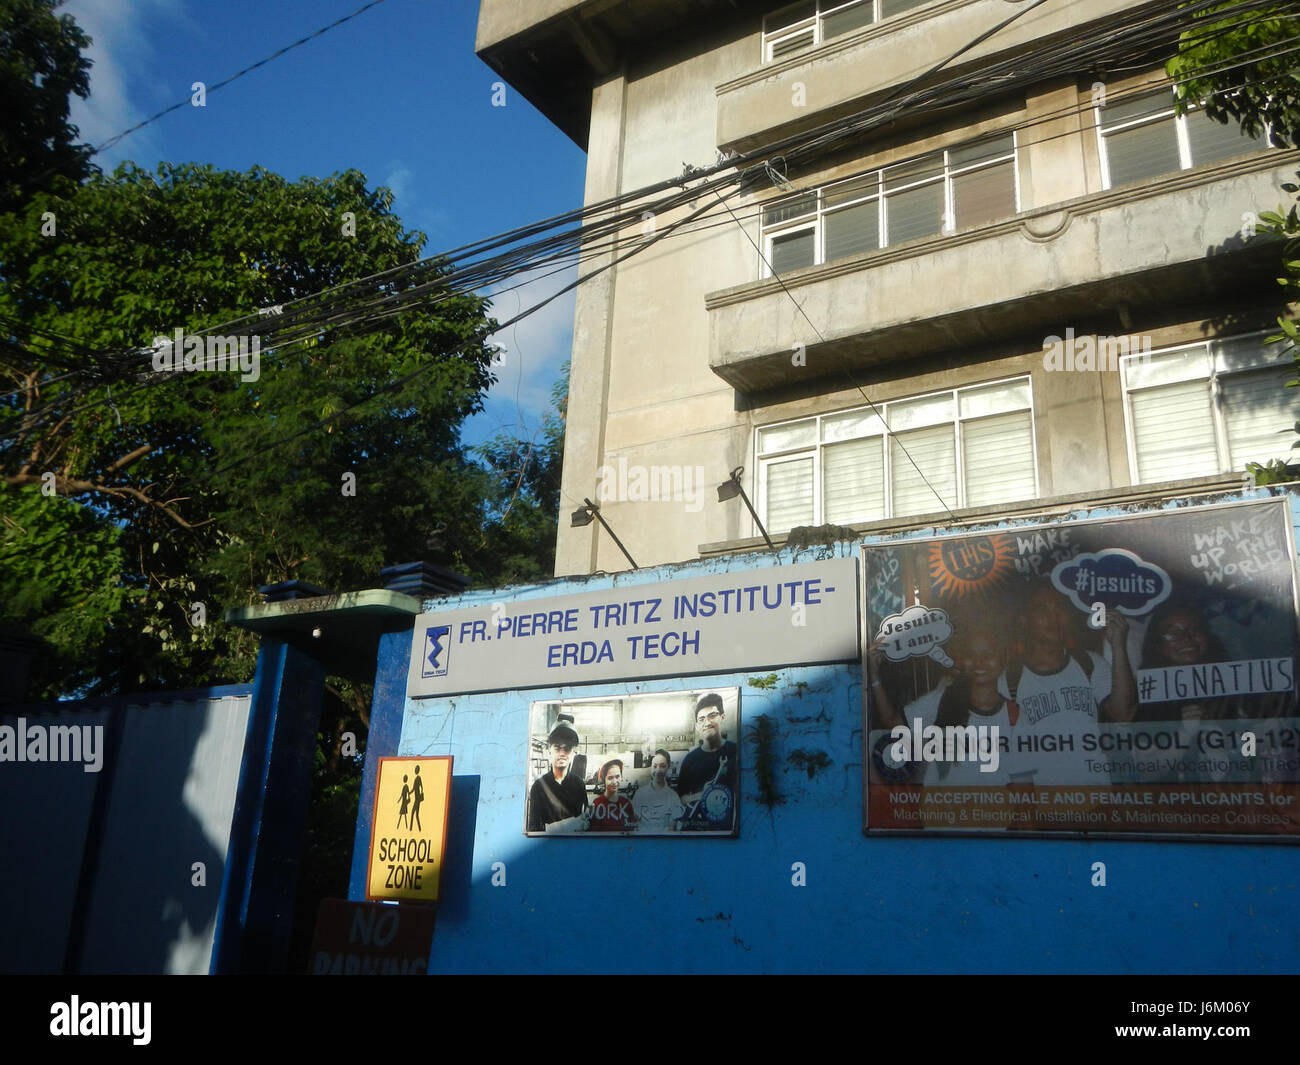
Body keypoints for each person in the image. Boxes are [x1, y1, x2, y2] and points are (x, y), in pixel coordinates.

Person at [998, 581, 1136, 785]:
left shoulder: (1089, 663)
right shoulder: (1008, 679)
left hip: (1098, 803)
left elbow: (1124, 714)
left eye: (1060, 608)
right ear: (1025, 620)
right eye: (1042, 609)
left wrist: (1117, 646)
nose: (1053, 617)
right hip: (1043, 808)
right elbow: (1008, 756)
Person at [900, 623, 1015, 786]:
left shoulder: (1014, 712)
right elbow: (896, 724)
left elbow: (1023, 782)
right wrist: (874, 677)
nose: (979, 662)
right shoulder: (945, 698)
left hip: (994, 809)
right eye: (971, 655)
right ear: (962, 659)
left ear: (1004, 658)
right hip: (945, 808)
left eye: (988, 655)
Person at [677, 693, 738, 829]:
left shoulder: (736, 751)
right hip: (699, 828)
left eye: (712, 716)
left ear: (722, 717)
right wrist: (701, 794)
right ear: (697, 726)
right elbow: (680, 798)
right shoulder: (690, 759)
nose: (707, 722)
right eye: (701, 719)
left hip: (727, 828)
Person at [526, 717, 589, 833]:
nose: (562, 753)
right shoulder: (538, 787)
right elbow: (534, 829)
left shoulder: (579, 784)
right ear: (549, 750)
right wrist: (572, 824)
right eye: (557, 748)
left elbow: (585, 821)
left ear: (574, 752)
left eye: (567, 748)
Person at [632, 749, 685, 833]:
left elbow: (675, 827)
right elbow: (634, 824)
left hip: (665, 844)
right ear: (651, 767)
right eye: (655, 766)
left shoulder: (673, 797)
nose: (658, 770)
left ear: (668, 766)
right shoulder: (640, 794)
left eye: (662, 766)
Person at [589, 759, 638, 832]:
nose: (614, 782)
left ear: (621, 777)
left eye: (617, 776)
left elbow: (632, 830)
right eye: (610, 778)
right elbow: (594, 833)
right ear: (604, 780)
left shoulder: (626, 804)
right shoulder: (597, 804)